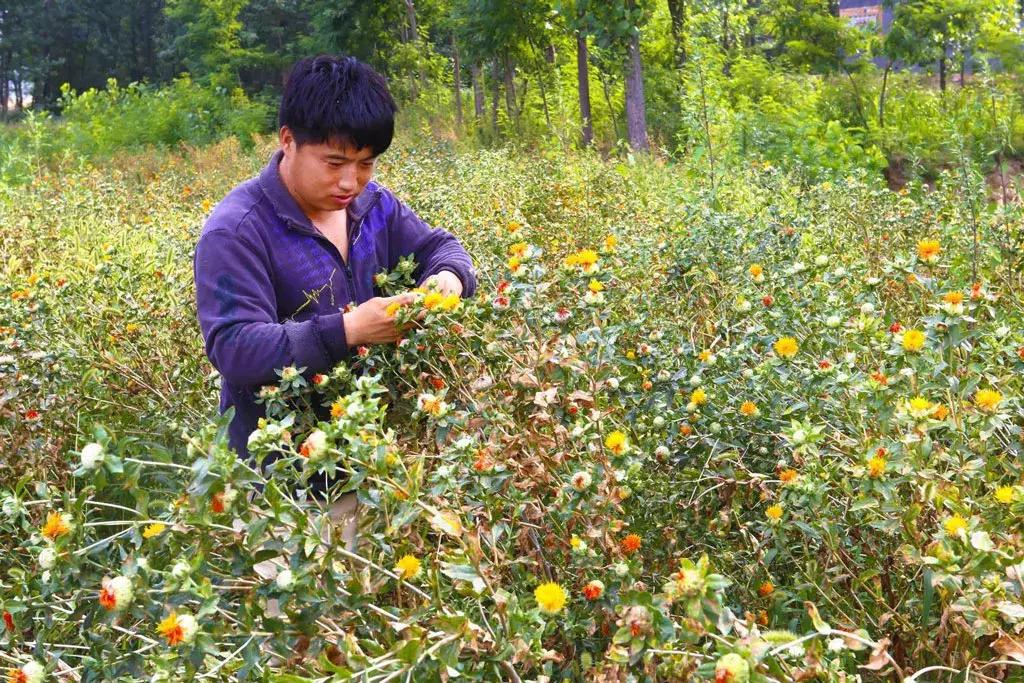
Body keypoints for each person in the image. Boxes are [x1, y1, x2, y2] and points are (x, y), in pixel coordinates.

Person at [193, 55, 477, 543]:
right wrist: (348, 330)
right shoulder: (237, 230)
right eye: (335, 162)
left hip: (372, 469)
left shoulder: (374, 206)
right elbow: (234, 347)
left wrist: (448, 280)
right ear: (287, 140)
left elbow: (441, 248)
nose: (351, 182)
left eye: (365, 163)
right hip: (279, 491)